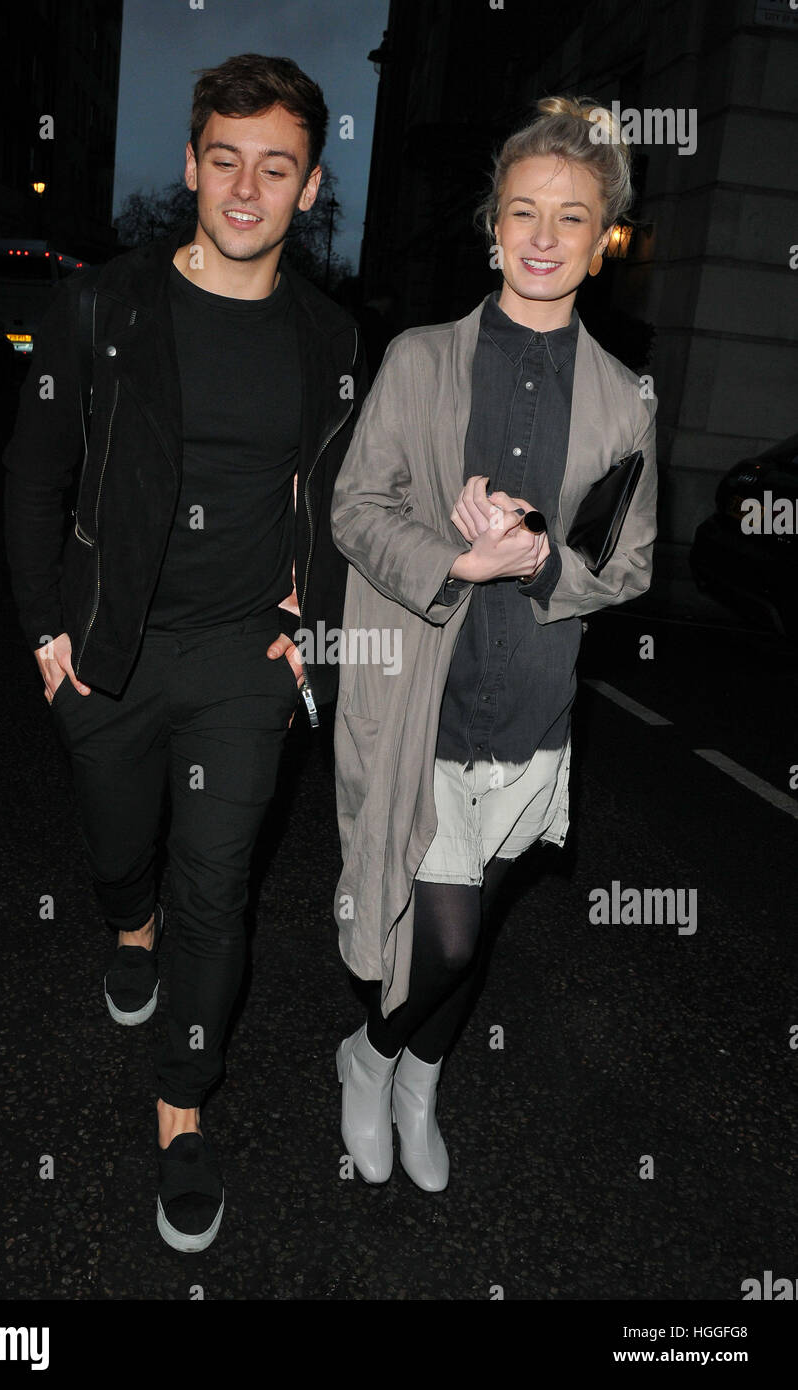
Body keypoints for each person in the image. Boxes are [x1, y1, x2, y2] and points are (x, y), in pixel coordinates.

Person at [4, 53, 367, 1251]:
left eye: (278, 168)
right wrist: (47, 631)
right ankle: (126, 925)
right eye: (227, 161)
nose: (249, 189)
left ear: (311, 186)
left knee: (218, 889)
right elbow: (32, 473)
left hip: (239, 664)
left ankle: (182, 1108)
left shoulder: (328, 336)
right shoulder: (104, 304)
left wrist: (308, 627)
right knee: (124, 850)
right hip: (108, 643)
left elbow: (335, 495)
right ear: (193, 166)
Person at [330, 96, 657, 1191]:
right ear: (493, 226)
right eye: (524, 210)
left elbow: (631, 561)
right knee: (452, 937)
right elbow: (354, 506)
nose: (544, 235)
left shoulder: (624, 400)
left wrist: (539, 563)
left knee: (479, 926)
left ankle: (422, 1074)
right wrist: (454, 561)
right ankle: (370, 1056)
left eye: (573, 216)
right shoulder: (422, 359)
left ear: (603, 238)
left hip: (534, 716)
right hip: (427, 700)